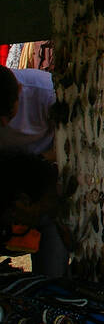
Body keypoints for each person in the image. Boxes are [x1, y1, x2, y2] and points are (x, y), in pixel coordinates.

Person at [0, 65, 68, 274]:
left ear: (20, 92)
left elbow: (67, 148)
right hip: (7, 178)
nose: (3, 124)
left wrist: (36, 164)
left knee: (52, 231)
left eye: (7, 115)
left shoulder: (47, 92)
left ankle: (50, 285)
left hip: (43, 178)